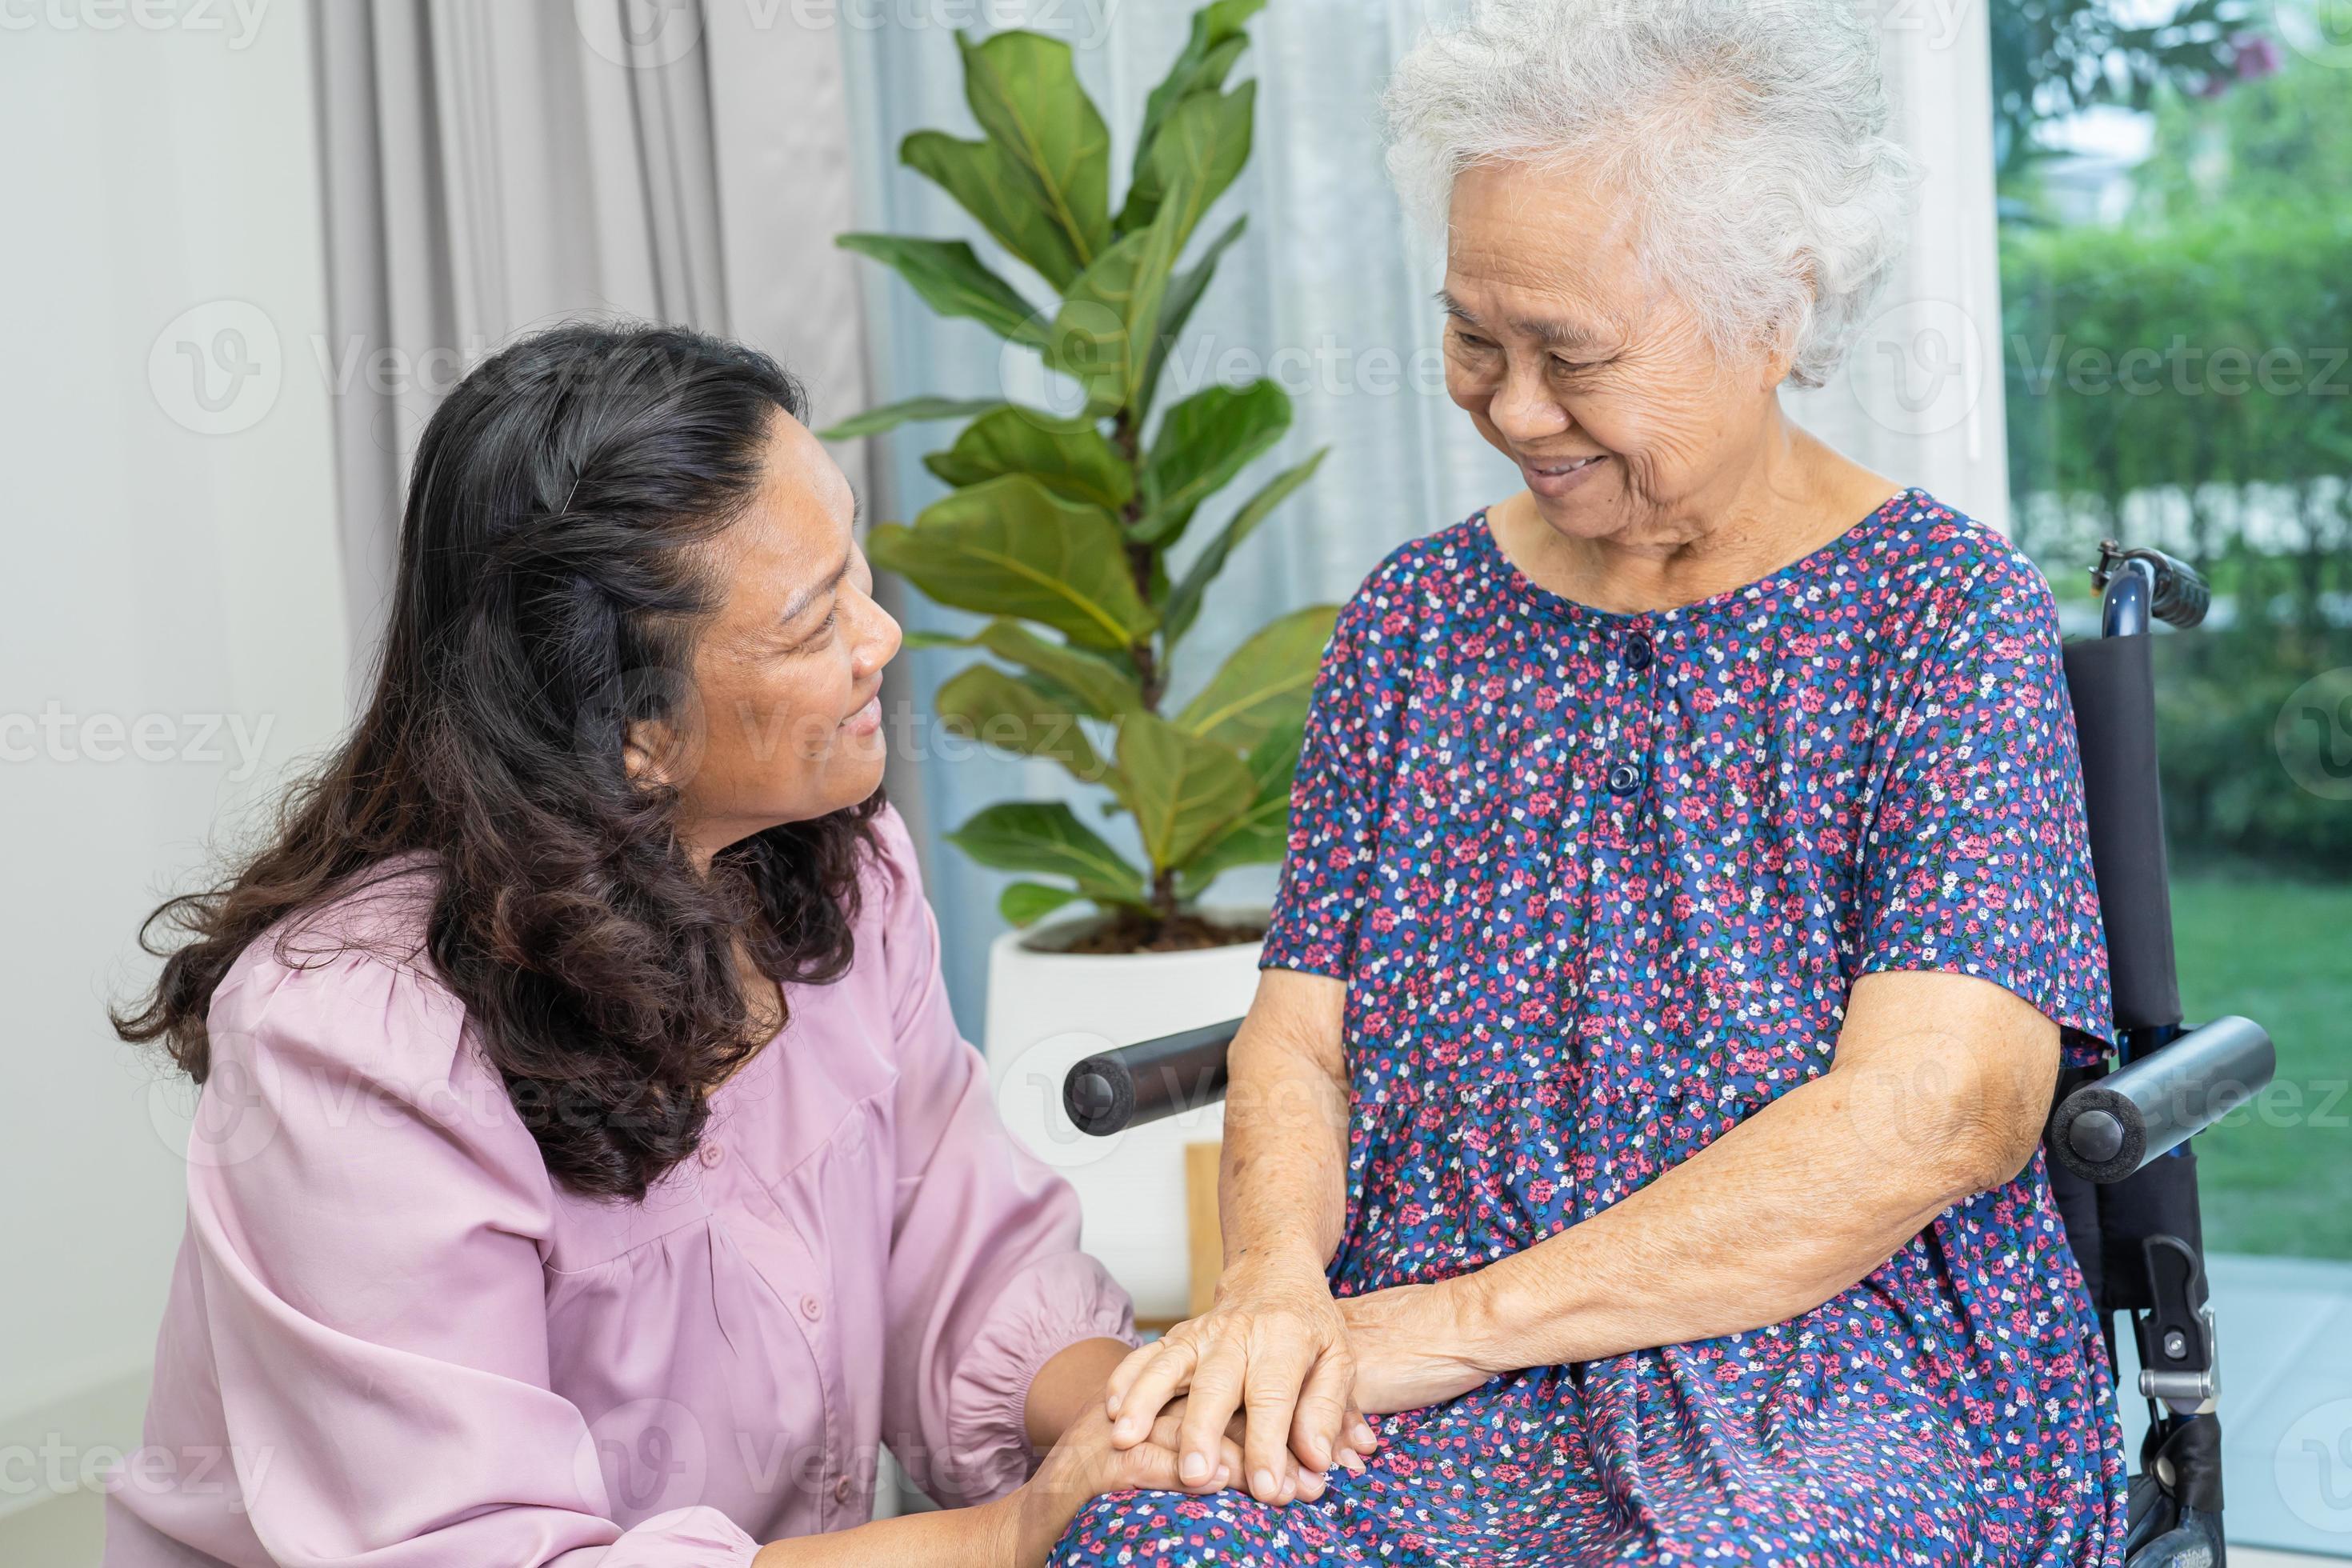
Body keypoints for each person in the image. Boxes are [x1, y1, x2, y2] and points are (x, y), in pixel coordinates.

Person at [1059, 1, 2126, 1562]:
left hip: (1833, 1370)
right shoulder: (1416, 620)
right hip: (1417, 1367)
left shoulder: (1940, 613)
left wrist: (1463, 1322)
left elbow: (1945, 1109)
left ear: (1775, 315)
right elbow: (1302, 1034)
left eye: (1571, 353)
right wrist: (1274, 1282)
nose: (1510, 406)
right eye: (1474, 337)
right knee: (1148, 1536)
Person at [106, 323, 1251, 1566]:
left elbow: (964, 1273)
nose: (884, 639)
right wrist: (1009, 1533)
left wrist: (1163, 1424)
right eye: (817, 624)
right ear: (629, 730)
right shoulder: (353, 1044)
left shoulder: (840, 871)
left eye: (856, 564)